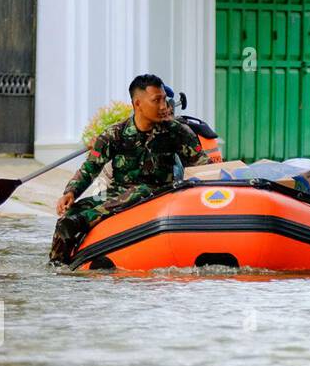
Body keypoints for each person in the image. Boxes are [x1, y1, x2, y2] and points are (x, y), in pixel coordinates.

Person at [50, 74, 209, 264]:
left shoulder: (178, 132)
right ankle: (58, 265)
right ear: (138, 104)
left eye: (164, 100)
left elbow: (203, 167)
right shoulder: (114, 135)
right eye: (156, 100)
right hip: (117, 195)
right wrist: (70, 193)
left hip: (160, 194)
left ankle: (85, 220)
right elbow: (90, 168)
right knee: (68, 218)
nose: (163, 106)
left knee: (141, 190)